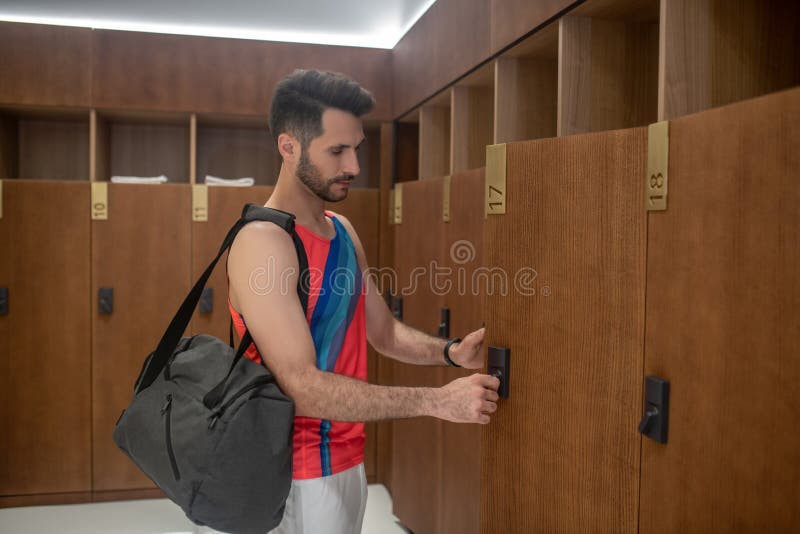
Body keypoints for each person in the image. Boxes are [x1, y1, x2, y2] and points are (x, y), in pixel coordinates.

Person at [224, 69, 500, 534]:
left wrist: (450, 353)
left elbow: (384, 332)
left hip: (346, 461)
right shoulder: (264, 242)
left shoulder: (341, 231)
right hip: (293, 474)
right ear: (288, 147)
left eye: (356, 148)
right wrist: (435, 402)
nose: (353, 165)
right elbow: (302, 386)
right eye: (337, 151)